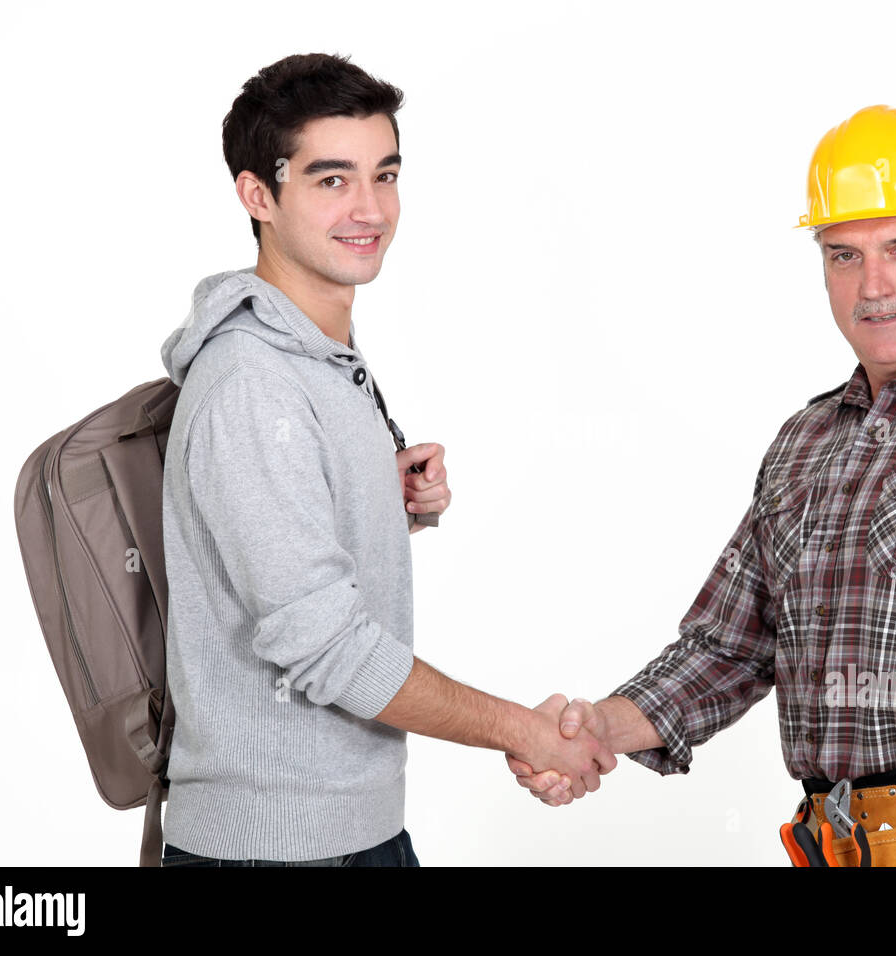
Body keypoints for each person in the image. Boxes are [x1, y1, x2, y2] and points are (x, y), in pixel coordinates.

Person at [509, 105, 896, 867]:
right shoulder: (806, 442)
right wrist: (596, 729)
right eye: (843, 255)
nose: (873, 285)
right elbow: (730, 648)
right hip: (832, 842)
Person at [158, 52, 613, 867]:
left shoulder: (316, 351)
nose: (370, 209)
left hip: (349, 833)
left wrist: (383, 491)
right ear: (259, 195)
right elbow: (328, 648)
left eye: (386, 174)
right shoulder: (253, 383)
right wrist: (526, 731)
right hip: (275, 849)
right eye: (332, 180)